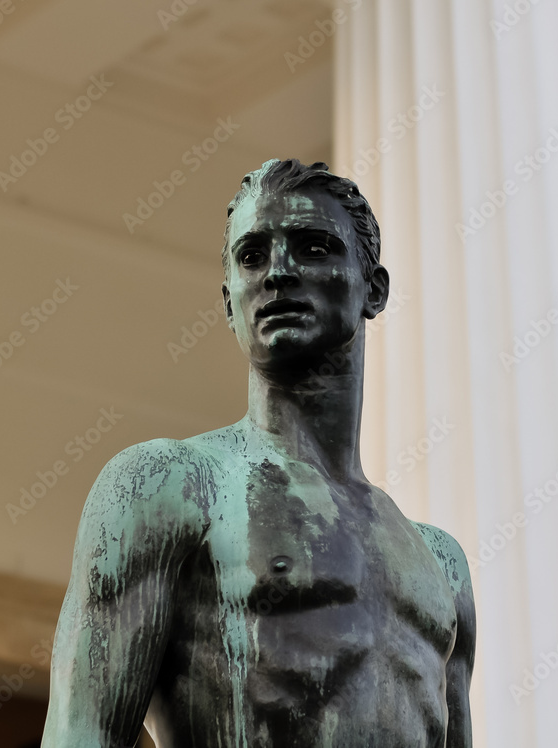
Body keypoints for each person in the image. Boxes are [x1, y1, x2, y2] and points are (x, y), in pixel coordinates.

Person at [41, 159, 476, 747]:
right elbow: (80, 735)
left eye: (313, 247)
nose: (278, 272)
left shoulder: (440, 566)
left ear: (373, 288)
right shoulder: (163, 486)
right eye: (252, 256)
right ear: (228, 302)